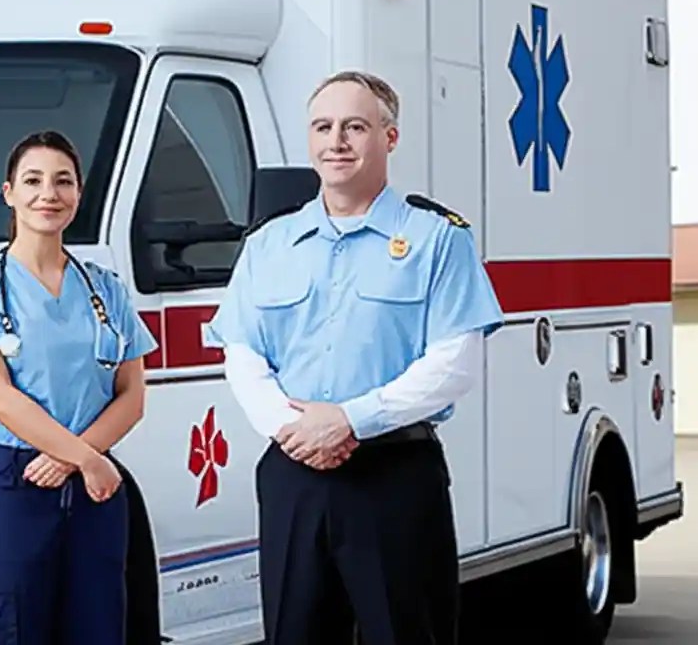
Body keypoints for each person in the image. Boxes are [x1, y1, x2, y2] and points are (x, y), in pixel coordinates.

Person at [207, 71, 504, 644]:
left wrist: (349, 420)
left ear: (390, 137)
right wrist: (295, 430)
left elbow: (454, 362)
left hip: (393, 474)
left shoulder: (437, 239)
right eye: (322, 127)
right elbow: (242, 353)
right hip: (294, 475)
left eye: (355, 127)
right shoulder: (269, 243)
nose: (336, 141)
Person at [0, 130, 158, 644]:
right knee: (6, 628)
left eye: (63, 182)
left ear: (78, 194)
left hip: (95, 489)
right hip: (17, 483)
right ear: (9, 193)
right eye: (33, 181)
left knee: (98, 627)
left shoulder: (105, 288)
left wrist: (80, 460)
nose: (48, 194)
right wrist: (81, 458)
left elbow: (132, 395)